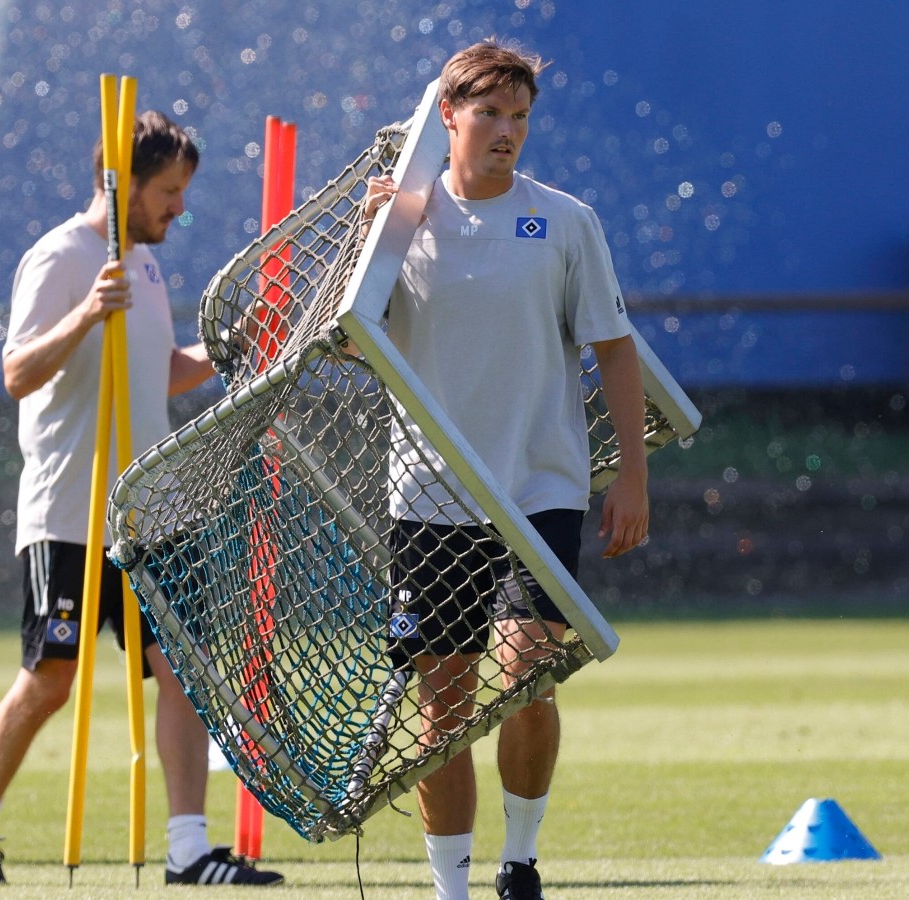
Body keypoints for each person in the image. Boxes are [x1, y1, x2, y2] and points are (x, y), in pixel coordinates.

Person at [0, 110, 283, 888]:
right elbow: (17, 372)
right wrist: (87, 311)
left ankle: (189, 849)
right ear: (121, 184)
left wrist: (233, 347)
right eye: (168, 192)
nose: (179, 209)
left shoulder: (146, 266)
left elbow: (160, 372)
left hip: (150, 512)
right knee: (51, 678)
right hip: (70, 510)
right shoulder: (60, 256)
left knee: (184, 671)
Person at [363, 39, 649, 900]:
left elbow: (614, 349)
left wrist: (632, 476)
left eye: (519, 116)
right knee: (444, 707)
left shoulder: (564, 220)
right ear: (447, 118)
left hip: (540, 490)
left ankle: (519, 861)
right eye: (488, 113)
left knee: (529, 679)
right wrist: (366, 243)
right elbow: (343, 340)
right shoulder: (398, 223)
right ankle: (450, 888)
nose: (506, 131)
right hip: (428, 496)